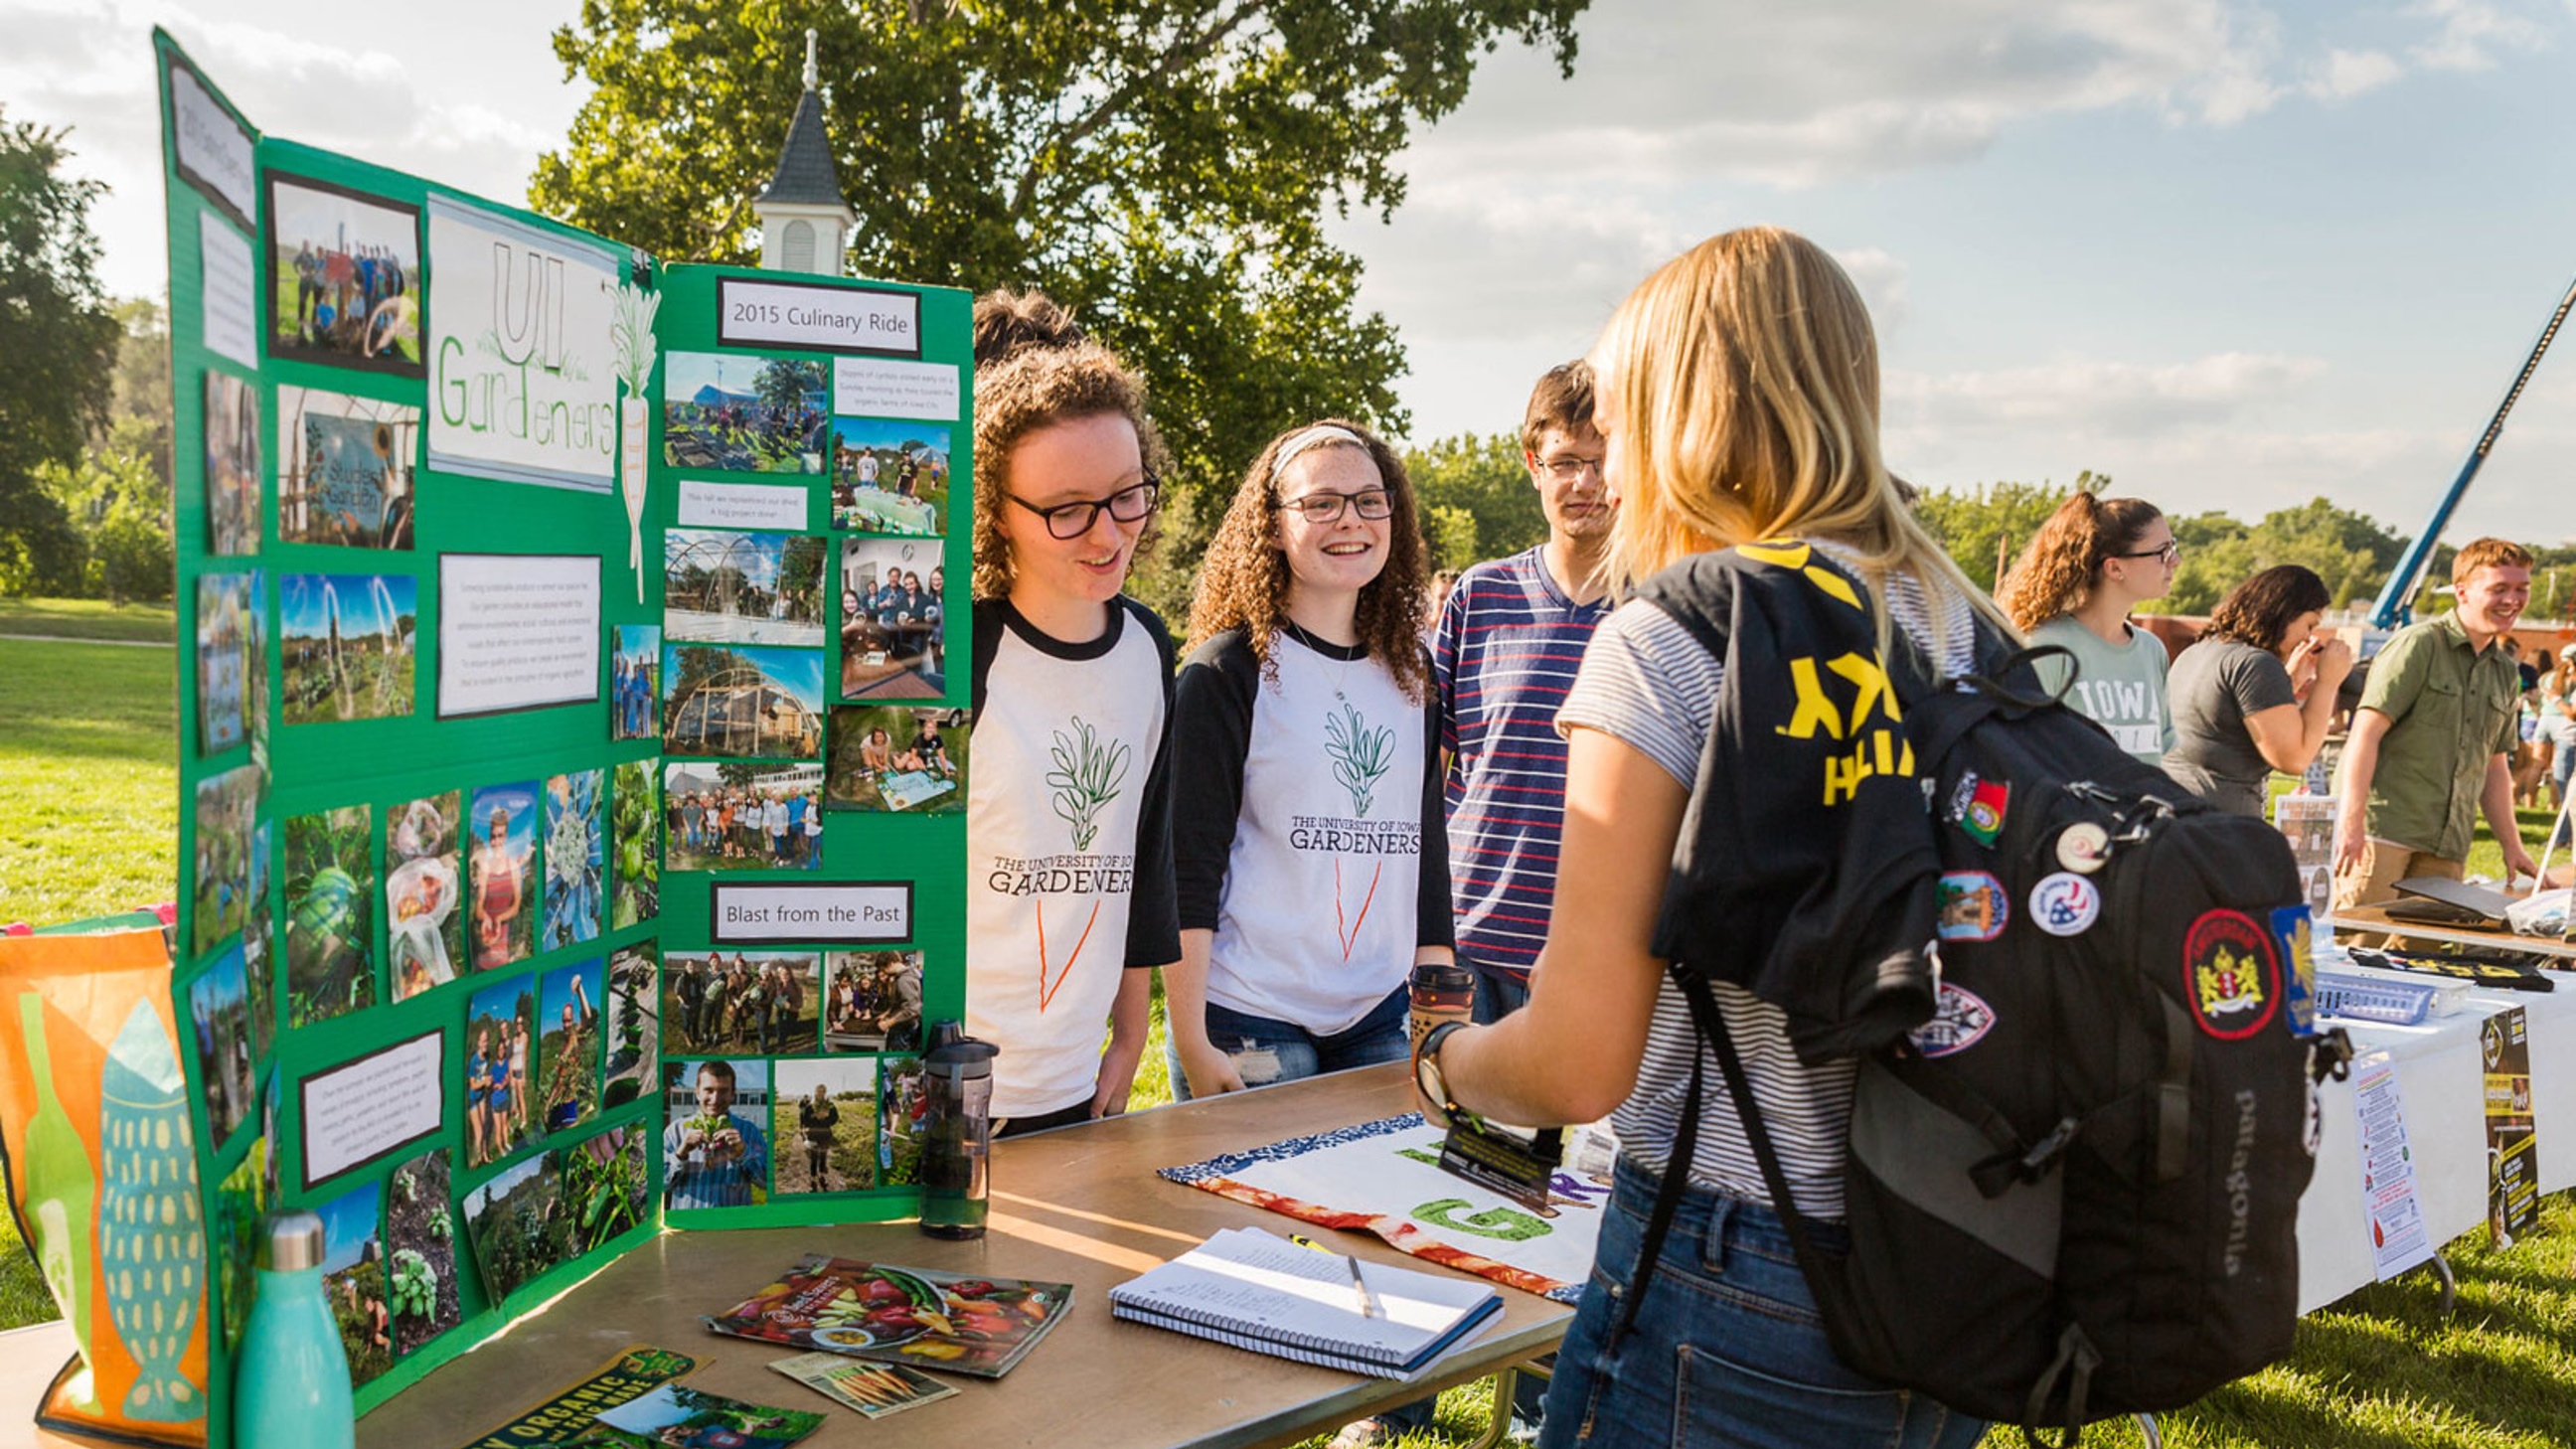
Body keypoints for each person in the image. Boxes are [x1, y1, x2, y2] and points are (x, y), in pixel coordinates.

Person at [1412, 228, 2001, 1449]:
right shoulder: (1965, 622)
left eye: (1620, 413)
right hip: (1958, 1255)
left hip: (1737, 1251)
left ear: (1678, 414)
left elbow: (1579, 1063)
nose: (1608, 457)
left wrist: (1443, 1065)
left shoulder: (1680, 632)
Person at [1165, 418, 1456, 1107]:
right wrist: (1190, 1037)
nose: (1350, 520)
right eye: (1321, 503)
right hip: (1247, 1017)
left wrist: (1441, 1019)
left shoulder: (1413, 673)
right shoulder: (1227, 672)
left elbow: (1426, 852)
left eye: (1369, 501)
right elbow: (1188, 870)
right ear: (1272, 526)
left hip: (1383, 1014)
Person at [961, 288, 1182, 1136]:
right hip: (951, 1089)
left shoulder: (1148, 648)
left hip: (1076, 1088)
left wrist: (1131, 1036)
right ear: (996, 512)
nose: (1107, 534)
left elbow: (1144, 852)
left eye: (1128, 496)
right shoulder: (960, 652)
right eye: (1066, 511)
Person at [1434, 362, 1617, 1029]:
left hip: (1597, 959)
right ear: (1533, 464)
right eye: (1565, 461)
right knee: (1440, 1103)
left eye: (1602, 461)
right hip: (1465, 947)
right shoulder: (1480, 596)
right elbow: (1428, 771)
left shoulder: (1664, 611)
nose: (1584, 483)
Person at [2334, 538, 2540, 936]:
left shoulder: (2504, 671)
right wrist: (2350, 822)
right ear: (2461, 591)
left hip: (2449, 841)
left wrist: (2512, 845)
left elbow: (2494, 765)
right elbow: (2365, 733)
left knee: (2424, 957)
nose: (2512, 600)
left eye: (2521, 589)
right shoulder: (2419, 644)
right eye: (2499, 588)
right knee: (2355, 947)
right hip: (2383, 831)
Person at [1998, 492, 2179, 763]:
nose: (2175, 560)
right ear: (2115, 568)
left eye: (2173, 546)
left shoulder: (2152, 650)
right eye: (2162, 552)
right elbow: (2017, 753)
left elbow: (2161, 752)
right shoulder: (2046, 648)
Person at [2163, 564, 2355, 817]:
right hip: (2222, 822)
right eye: (2309, 625)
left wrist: (2289, 681)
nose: (2308, 637)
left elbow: (2235, 721)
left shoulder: (2199, 651)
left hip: (2178, 810)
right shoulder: (2256, 664)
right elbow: (2295, 759)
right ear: (2285, 613)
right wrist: (2328, 682)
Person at [664, 1059, 768, 1209]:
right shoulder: (675, 1132)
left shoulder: (749, 1132)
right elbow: (658, 1185)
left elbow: (767, 1183)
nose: (715, 1099)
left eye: (723, 1091)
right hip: (688, 1223)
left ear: (733, 1094)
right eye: (709, 1090)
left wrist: (744, 1152)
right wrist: (681, 1153)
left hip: (734, 1222)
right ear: (697, 1092)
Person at [473, 806, 523, 968]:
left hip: (503, 945)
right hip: (485, 940)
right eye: (493, 837)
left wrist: (499, 919)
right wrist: (485, 918)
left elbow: (516, 905)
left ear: (506, 836)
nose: (496, 842)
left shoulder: (513, 867)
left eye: (500, 836)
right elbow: (479, 906)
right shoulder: (485, 868)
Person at [797, 1083, 840, 1190]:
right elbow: (805, 1120)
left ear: (825, 1092)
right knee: (814, 1157)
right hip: (813, 1134)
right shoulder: (809, 1107)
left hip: (825, 1135)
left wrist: (826, 1117)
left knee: (823, 1156)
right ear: (815, 1092)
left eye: (823, 1091)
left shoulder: (830, 1106)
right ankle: (813, 1178)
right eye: (819, 1091)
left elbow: (835, 1118)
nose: (820, 1093)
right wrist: (815, 1116)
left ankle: (821, 1176)